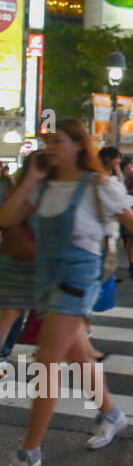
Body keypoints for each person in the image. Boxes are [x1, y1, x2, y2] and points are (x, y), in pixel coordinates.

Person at [0, 120, 133, 466]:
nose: (50, 148)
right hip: (47, 280)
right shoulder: (42, 187)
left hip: (77, 281)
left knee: (47, 362)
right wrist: (29, 179)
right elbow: (6, 219)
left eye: (58, 141)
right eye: (47, 142)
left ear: (78, 145)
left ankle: (29, 455)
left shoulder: (98, 186)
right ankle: (112, 413)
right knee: (78, 356)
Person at [0, 154, 37, 362]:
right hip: (20, 260)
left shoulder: (15, 187)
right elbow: (7, 222)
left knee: (12, 312)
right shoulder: (19, 190)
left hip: (20, 259)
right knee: (11, 312)